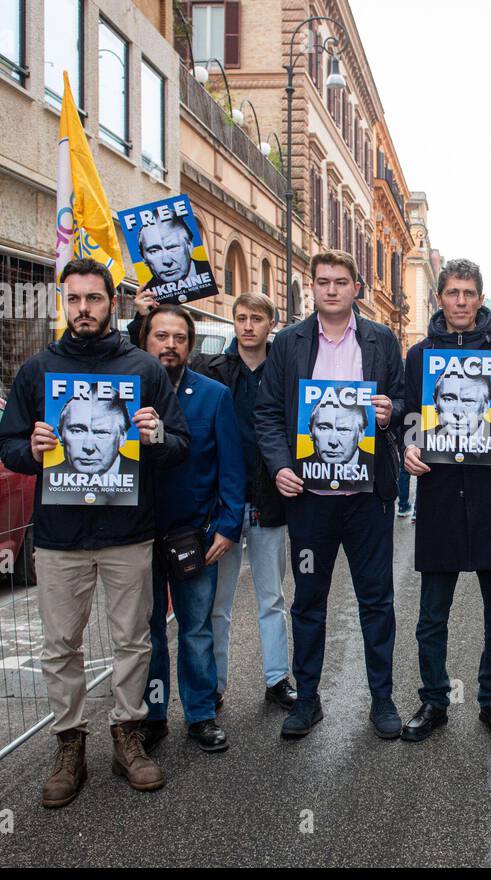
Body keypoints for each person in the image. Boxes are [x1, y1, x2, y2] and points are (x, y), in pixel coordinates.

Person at [0, 258, 190, 808]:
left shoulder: (142, 370)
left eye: (94, 299)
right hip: (59, 536)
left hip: (128, 531)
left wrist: (155, 436)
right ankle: (69, 744)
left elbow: (181, 445)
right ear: (64, 302)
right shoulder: (39, 371)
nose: (84, 308)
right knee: (61, 646)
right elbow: (8, 444)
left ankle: (127, 735)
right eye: (75, 299)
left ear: (113, 303)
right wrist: (30, 452)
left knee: (134, 640)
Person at [254, 250, 406, 740]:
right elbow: (269, 413)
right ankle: (309, 700)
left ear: (356, 288)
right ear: (312, 287)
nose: (332, 289)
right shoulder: (289, 343)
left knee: (376, 600)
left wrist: (389, 410)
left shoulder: (382, 340)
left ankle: (381, 699)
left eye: (341, 281)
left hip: (367, 499)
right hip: (310, 499)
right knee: (308, 603)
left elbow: (405, 400)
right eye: (323, 282)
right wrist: (279, 466)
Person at [399, 259, 491, 743]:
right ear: (439, 298)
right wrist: (409, 446)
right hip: (441, 497)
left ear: (480, 299)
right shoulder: (419, 356)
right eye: (452, 292)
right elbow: (408, 416)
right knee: (431, 614)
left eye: (469, 293)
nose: (460, 301)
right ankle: (433, 699)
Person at [135, 304, 244, 754]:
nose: (169, 345)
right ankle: (153, 716)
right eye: (160, 336)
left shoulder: (214, 396)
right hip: (137, 535)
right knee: (147, 630)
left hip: (195, 534)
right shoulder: (127, 393)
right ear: (145, 341)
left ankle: (201, 714)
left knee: (196, 628)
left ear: (190, 345)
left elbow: (232, 468)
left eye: (179, 338)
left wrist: (228, 526)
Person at [189, 291, 297, 711]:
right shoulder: (209, 368)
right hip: (223, 504)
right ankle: (214, 685)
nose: (247, 326)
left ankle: (276, 679)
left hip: (270, 499)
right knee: (220, 601)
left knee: (272, 598)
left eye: (256, 318)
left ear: (271, 323)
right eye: (240, 318)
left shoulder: (285, 372)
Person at [138, 216, 208, 288]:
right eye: (154, 251)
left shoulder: (213, 273)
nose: (167, 261)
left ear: (189, 247)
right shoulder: (146, 293)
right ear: (144, 258)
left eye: (173, 248)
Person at [309, 394, 368, 467]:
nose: (333, 442)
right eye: (324, 428)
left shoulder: (375, 465)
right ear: (311, 431)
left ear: (361, 434)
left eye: (344, 430)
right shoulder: (297, 469)